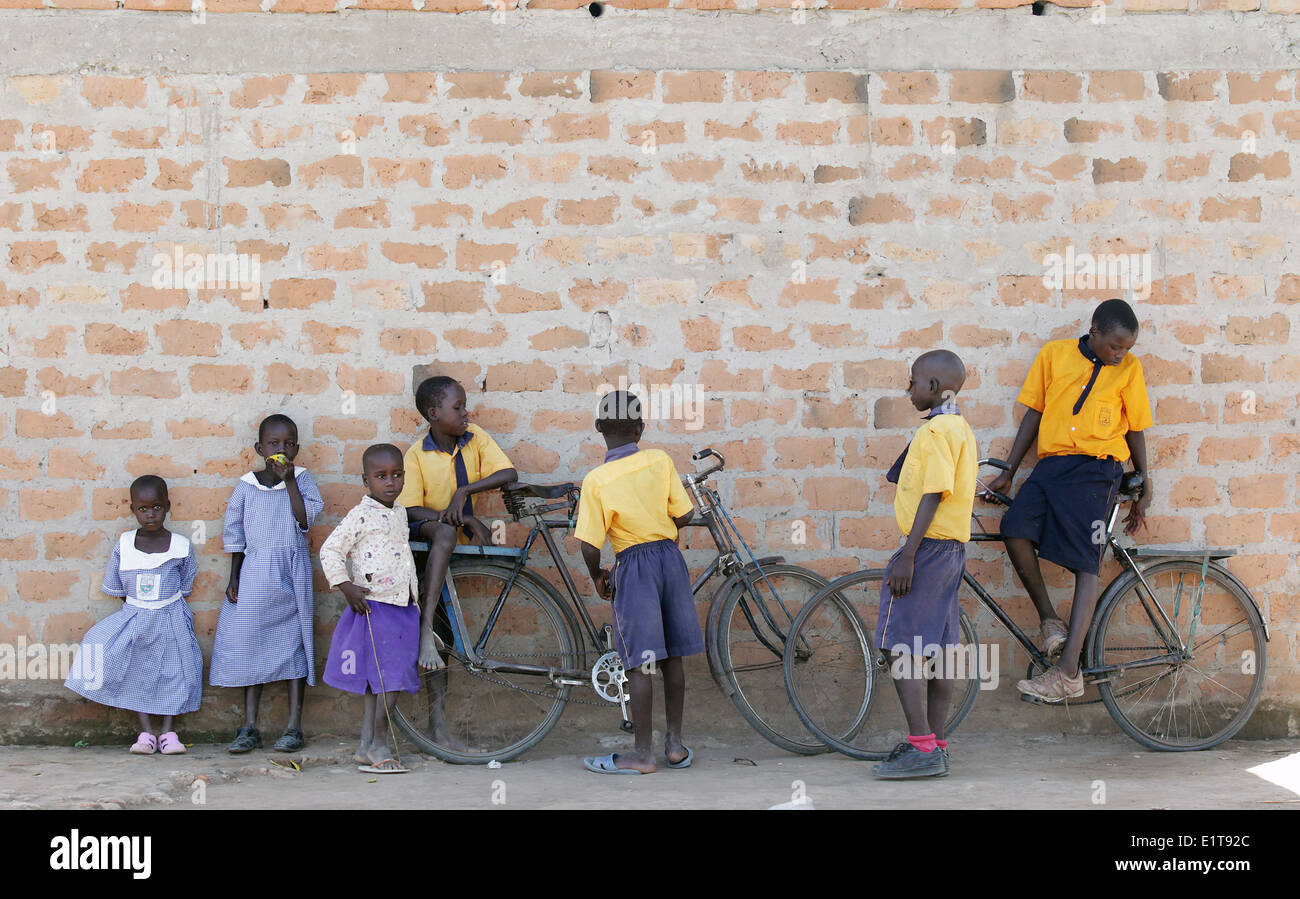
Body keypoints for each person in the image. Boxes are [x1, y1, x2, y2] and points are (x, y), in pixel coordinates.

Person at [985, 298, 1153, 702]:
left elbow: (1136, 429)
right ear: (1094, 331)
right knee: (1014, 529)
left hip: (1098, 471)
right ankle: (1050, 622)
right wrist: (1009, 470)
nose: (1120, 354)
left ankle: (1068, 672)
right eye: (1115, 345)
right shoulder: (1055, 355)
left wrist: (1146, 482)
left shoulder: (1128, 370)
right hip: (1052, 466)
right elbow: (1035, 413)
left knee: (1085, 562)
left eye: (1126, 348)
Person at [576, 391, 701, 775]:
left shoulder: (596, 479)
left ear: (599, 429)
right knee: (672, 656)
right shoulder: (659, 460)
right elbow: (685, 514)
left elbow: (588, 543)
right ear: (641, 428)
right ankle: (675, 745)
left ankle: (643, 755)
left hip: (632, 565)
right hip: (669, 560)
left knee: (642, 662)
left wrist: (598, 574)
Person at [870, 351, 978, 779]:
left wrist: (908, 555)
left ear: (933, 387)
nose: (907, 389)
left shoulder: (936, 432)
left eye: (912, 382)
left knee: (900, 646)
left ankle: (921, 747)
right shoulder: (960, 428)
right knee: (937, 651)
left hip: (927, 550)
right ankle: (935, 743)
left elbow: (933, 493)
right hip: (951, 551)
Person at [396, 375, 516, 744]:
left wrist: (465, 492)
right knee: (444, 533)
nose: (466, 412)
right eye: (458, 407)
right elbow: (410, 509)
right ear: (434, 413)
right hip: (425, 539)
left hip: (450, 556)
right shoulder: (416, 453)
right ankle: (423, 628)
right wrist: (461, 517)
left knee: (444, 643)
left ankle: (438, 728)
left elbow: (509, 473)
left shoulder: (475, 438)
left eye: (465, 406)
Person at [64, 476, 202, 755]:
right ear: (133, 509)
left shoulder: (180, 546)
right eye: (143, 508)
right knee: (135, 671)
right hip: (136, 617)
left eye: (157, 507)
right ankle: (146, 734)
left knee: (174, 672)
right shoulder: (124, 544)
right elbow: (116, 585)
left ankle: (168, 733)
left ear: (168, 507)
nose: (150, 514)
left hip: (171, 618)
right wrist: (140, 607)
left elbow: (185, 583)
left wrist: (163, 605)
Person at [210, 413, 324, 753]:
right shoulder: (246, 485)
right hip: (255, 574)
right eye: (274, 444)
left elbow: (305, 519)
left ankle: (293, 727)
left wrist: (288, 482)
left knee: (295, 646)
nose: (281, 449)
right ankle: (248, 726)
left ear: (297, 449)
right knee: (250, 645)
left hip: (292, 573)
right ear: (260, 448)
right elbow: (235, 535)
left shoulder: (301, 480)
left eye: (289, 444)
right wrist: (234, 577)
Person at [321, 444, 421, 774]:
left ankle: (366, 746)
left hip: (402, 605)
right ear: (366, 480)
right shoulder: (361, 515)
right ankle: (379, 743)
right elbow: (330, 550)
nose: (390, 482)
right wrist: (345, 585)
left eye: (397, 475)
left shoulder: (400, 512)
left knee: (383, 681)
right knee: (387, 682)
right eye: (381, 476)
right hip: (376, 606)